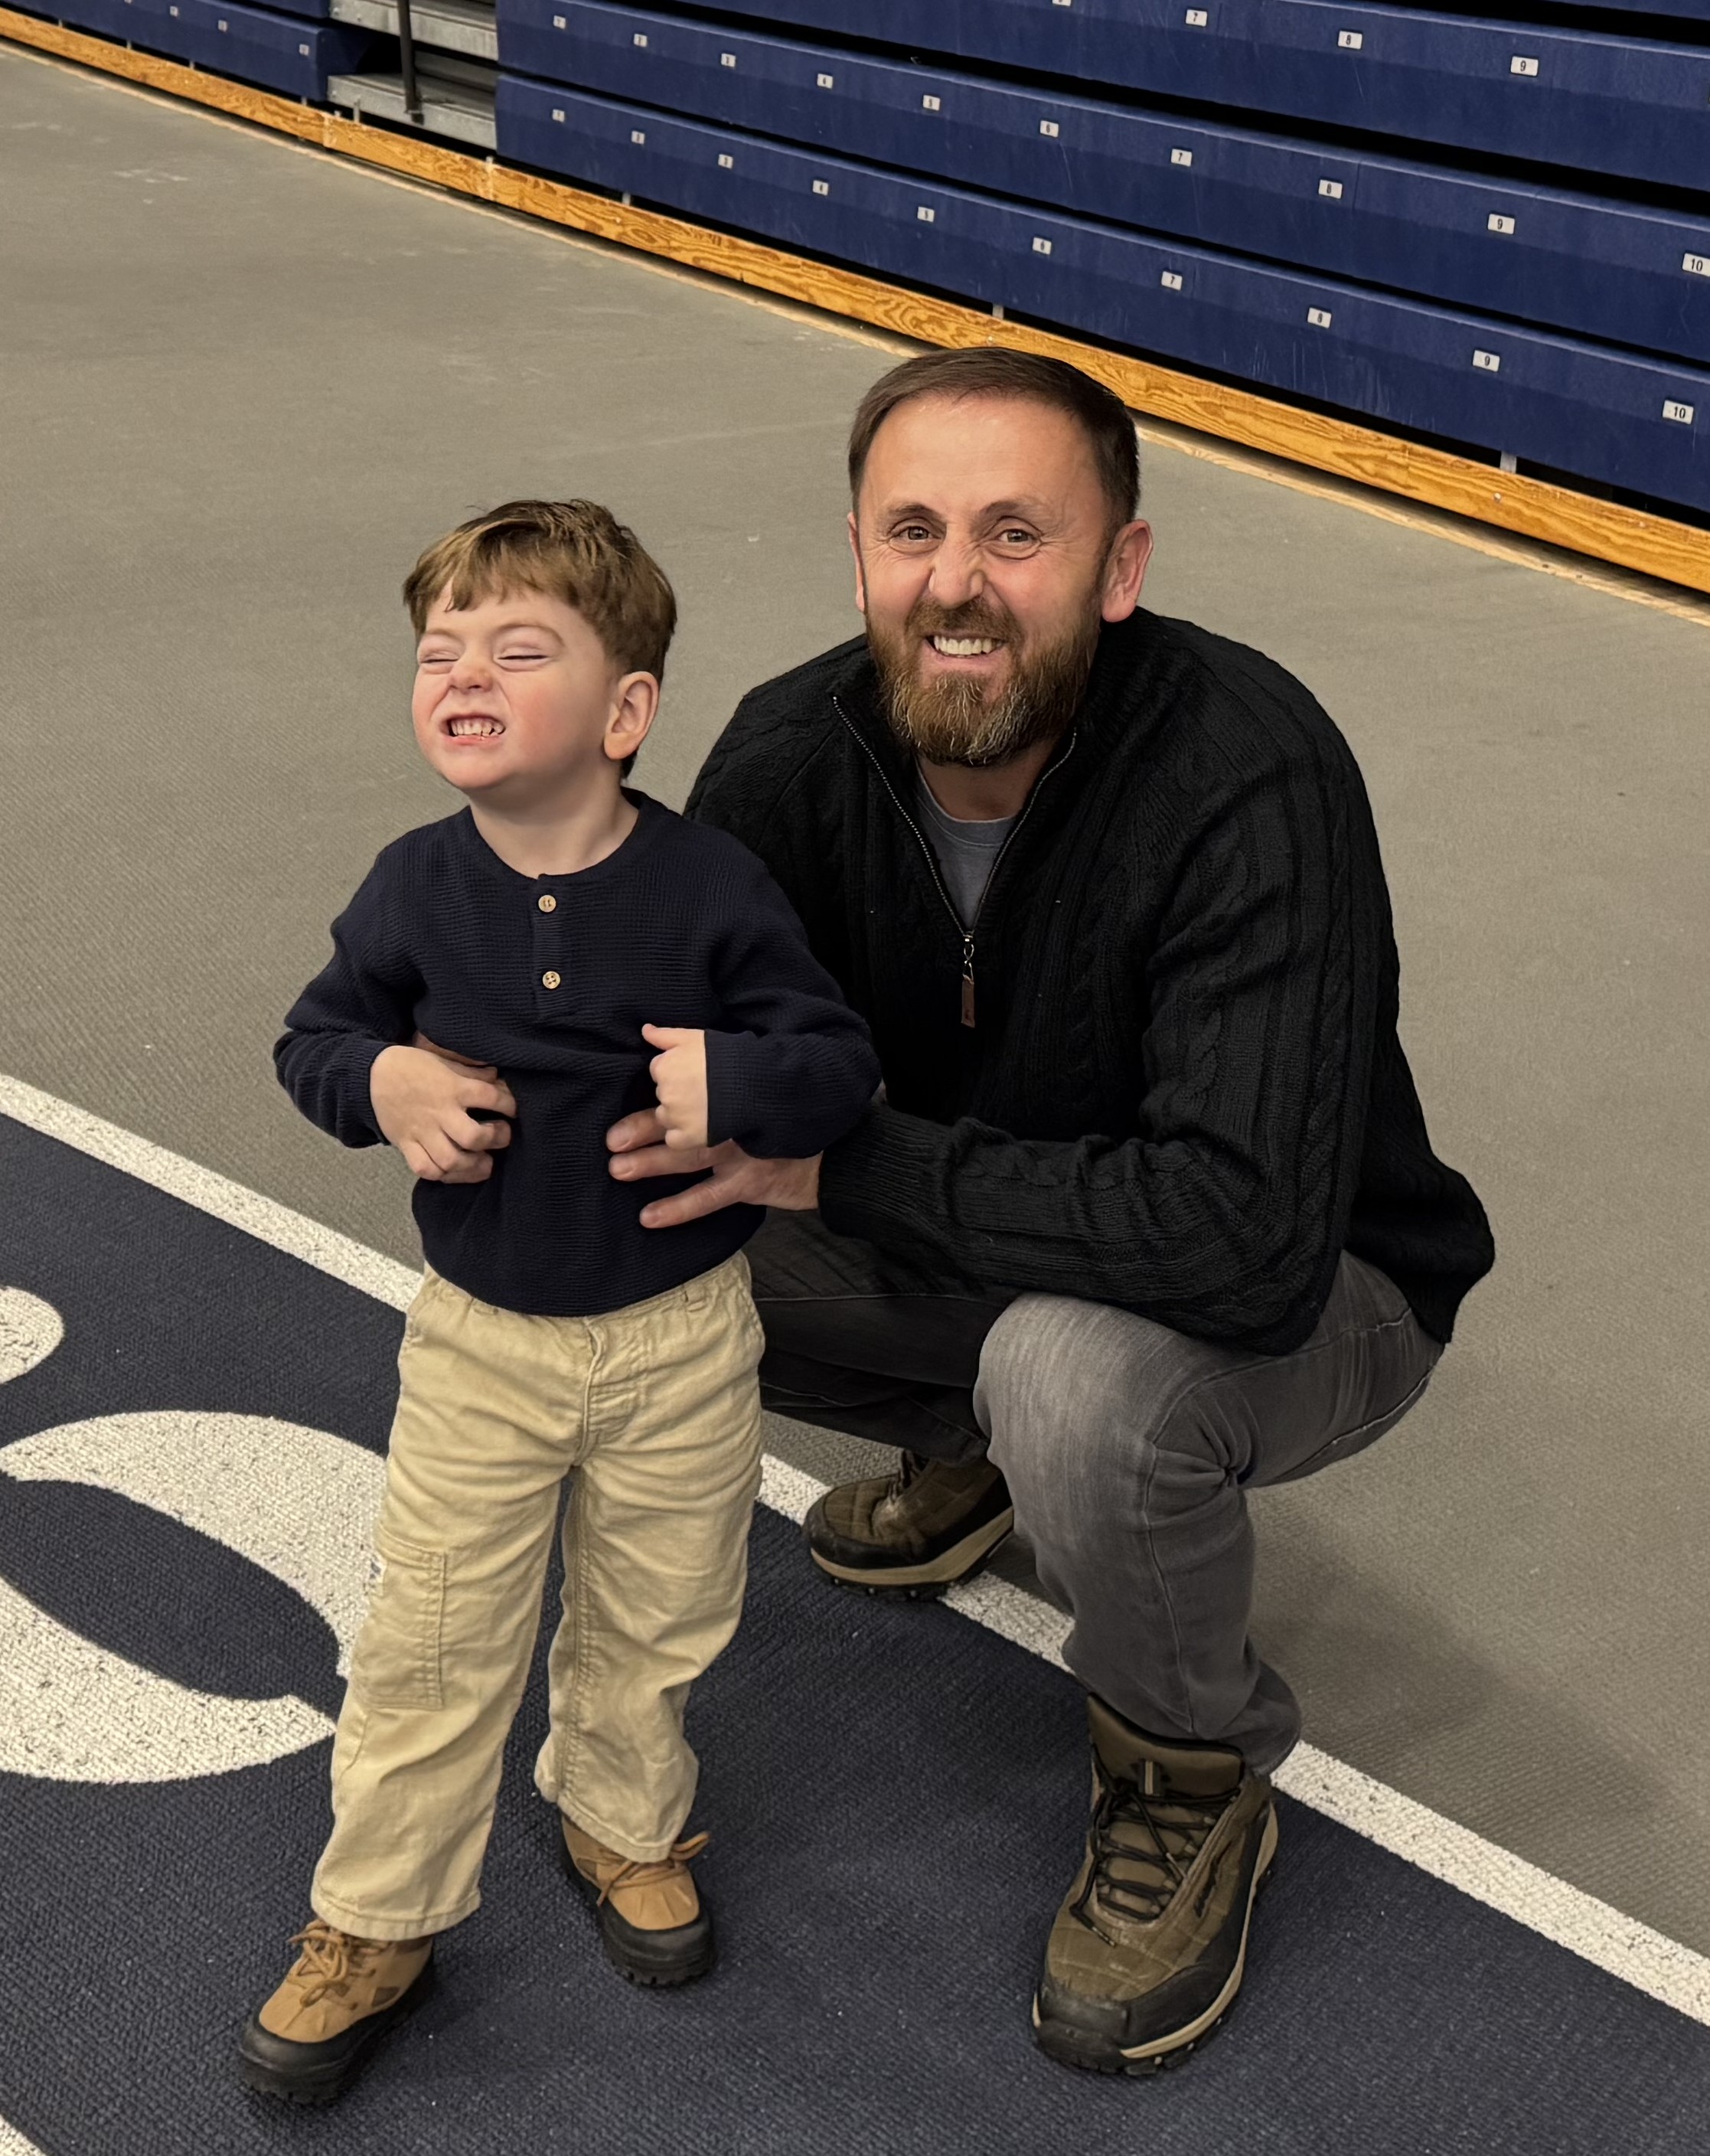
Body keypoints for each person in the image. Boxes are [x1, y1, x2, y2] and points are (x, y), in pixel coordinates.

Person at [603, 350, 1495, 2076]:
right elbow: (673, 1061)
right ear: (858, 553)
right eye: (914, 529)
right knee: (634, 1231)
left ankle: (1184, 1762)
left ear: (1120, 567)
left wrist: (836, 1165)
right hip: (997, 1245)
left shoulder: (1248, 774)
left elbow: (1241, 1239)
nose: (957, 581)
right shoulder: (791, 755)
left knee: (1082, 1388)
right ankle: (981, 1440)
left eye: (1018, 533)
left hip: (1321, 1284)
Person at [243, 499, 879, 2105]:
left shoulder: (712, 886)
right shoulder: (409, 888)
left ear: (624, 712)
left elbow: (838, 1065)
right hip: (484, 1348)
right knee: (434, 1638)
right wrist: (378, 1076)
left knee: (659, 1613)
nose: (465, 670)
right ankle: (377, 1914)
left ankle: (619, 1809)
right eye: (440, 648)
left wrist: (740, 1075)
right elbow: (314, 1040)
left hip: (683, 1342)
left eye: (518, 647)